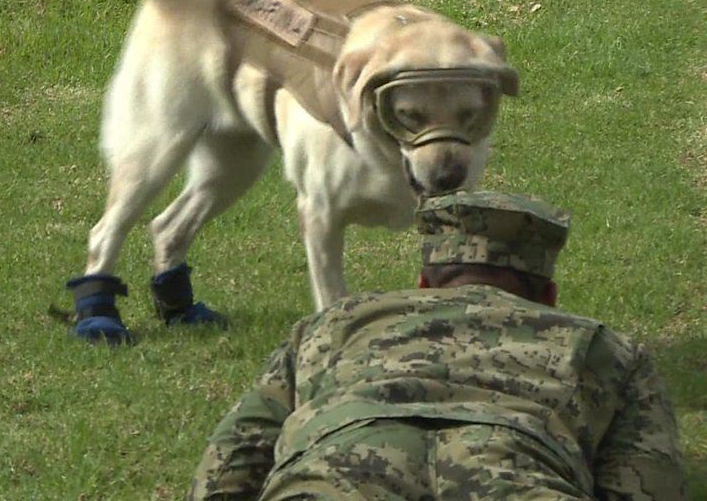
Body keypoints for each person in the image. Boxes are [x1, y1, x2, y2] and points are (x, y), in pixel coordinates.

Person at [188, 191, 687, 500]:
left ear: (423, 285)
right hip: (517, 472)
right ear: (548, 298)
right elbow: (648, 482)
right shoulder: (605, 347)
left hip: (338, 466)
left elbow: (239, 449)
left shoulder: (331, 322)